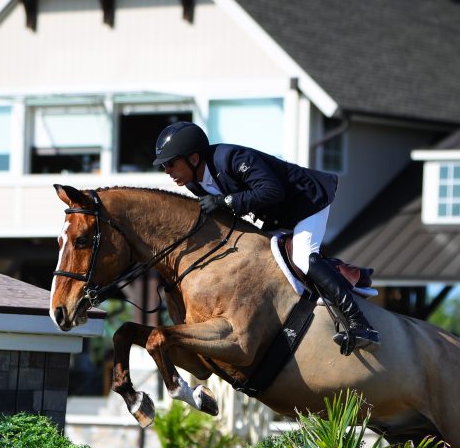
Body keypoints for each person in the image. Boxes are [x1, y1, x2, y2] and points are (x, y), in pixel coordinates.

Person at [152, 121, 379, 353]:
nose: (167, 171)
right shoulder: (194, 184)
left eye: (170, 164)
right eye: (164, 166)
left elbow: (272, 191)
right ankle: (341, 276)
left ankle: (360, 323)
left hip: (307, 201)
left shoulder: (231, 158)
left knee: (302, 256)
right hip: (277, 216)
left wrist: (224, 202)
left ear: (194, 158)